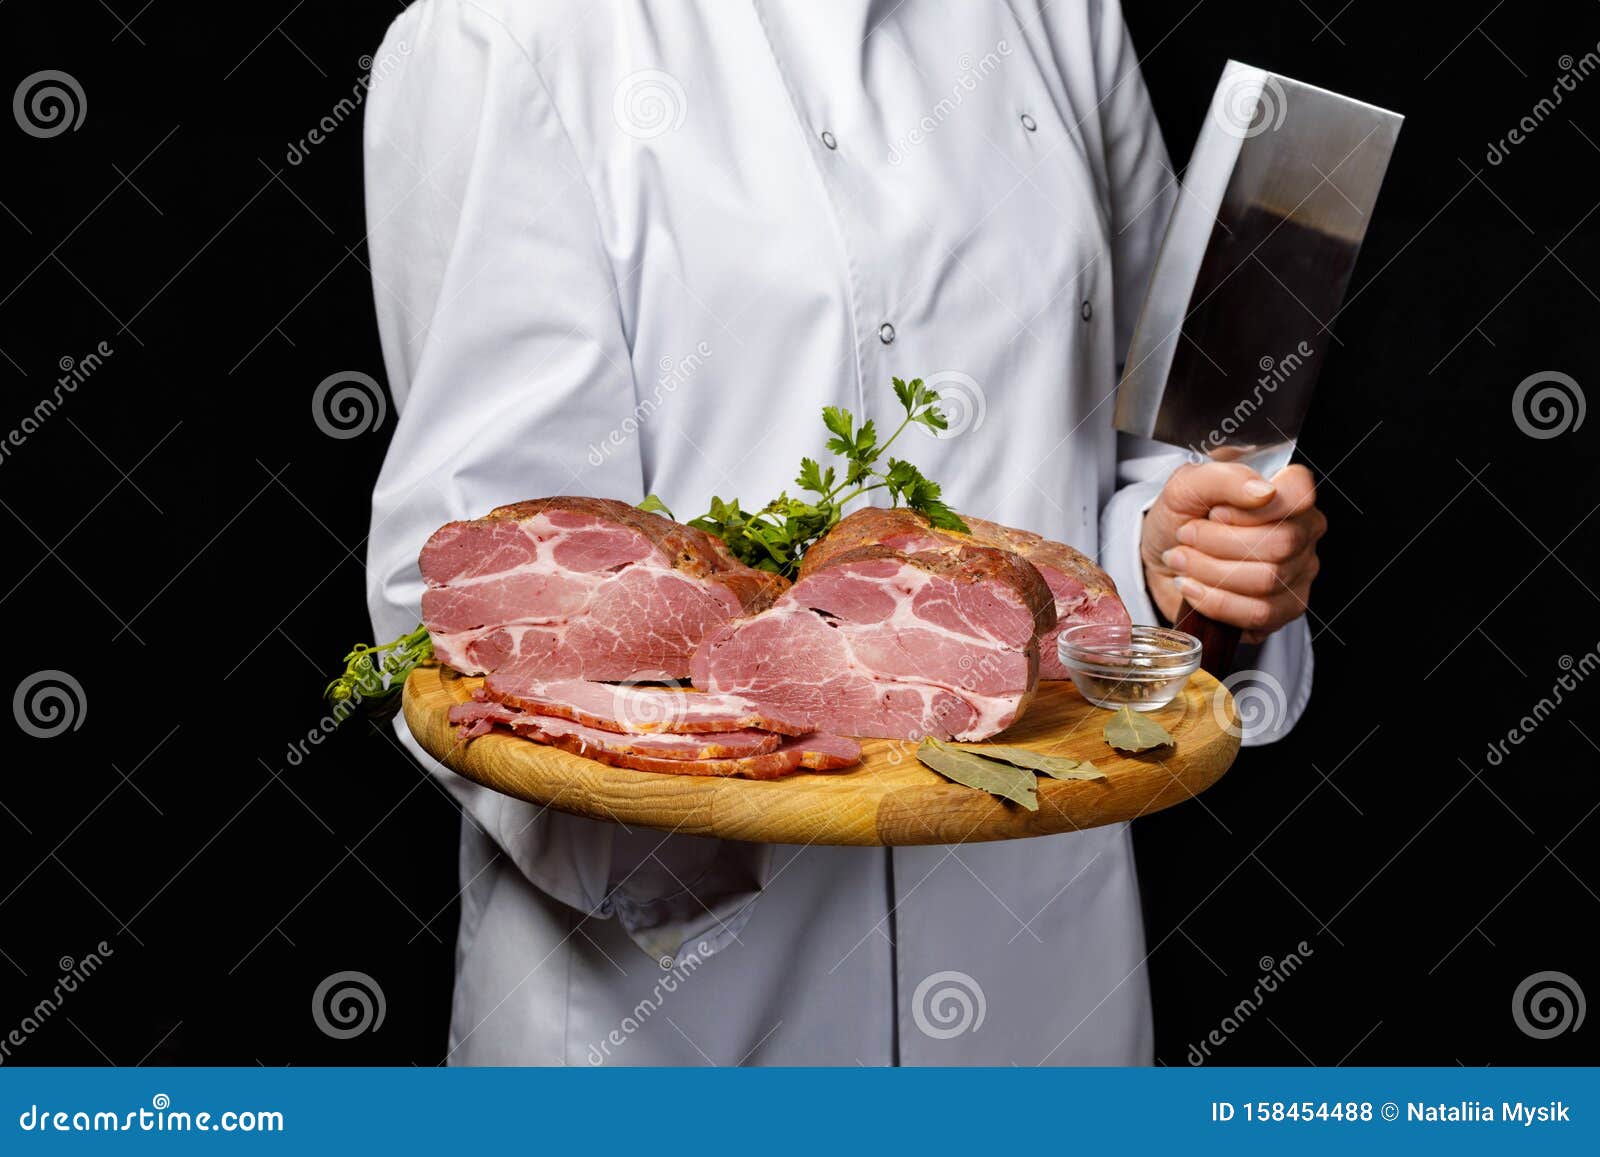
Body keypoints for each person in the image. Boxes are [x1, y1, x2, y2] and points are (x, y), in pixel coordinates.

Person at [362, 0, 1323, 1065]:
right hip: (675, 1014)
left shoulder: (1063, 14)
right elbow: (478, 591)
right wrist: (711, 788)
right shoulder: (508, 32)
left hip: (1040, 986)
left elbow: (1140, 447)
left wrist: (1174, 560)